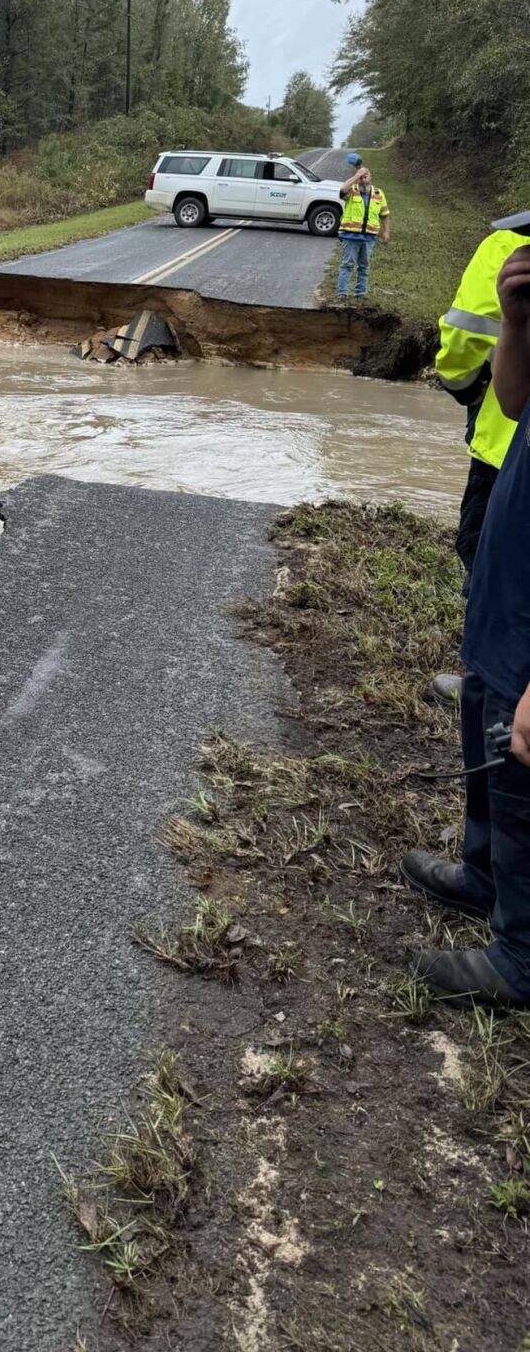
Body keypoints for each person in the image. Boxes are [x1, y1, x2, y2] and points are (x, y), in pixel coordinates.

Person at [402, 242, 530, 1009]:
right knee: (484, 710)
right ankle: (484, 875)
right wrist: (514, 323)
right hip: (509, 566)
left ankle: (522, 949)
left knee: (520, 752)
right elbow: (514, 402)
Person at [429, 212, 530, 703]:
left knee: (491, 562)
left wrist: (467, 393)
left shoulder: (509, 243)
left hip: (502, 446)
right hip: (512, 423)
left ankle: (488, 682)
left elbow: (462, 343)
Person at [335, 155, 391, 301]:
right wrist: (356, 175)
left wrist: (386, 232)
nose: (363, 179)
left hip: (369, 237)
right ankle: (342, 294)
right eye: (361, 176)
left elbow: (384, 214)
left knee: (364, 266)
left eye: (366, 176)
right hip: (350, 235)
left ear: (370, 177)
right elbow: (342, 190)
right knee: (347, 264)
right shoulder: (352, 190)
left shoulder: (378, 193)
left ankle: (360, 294)